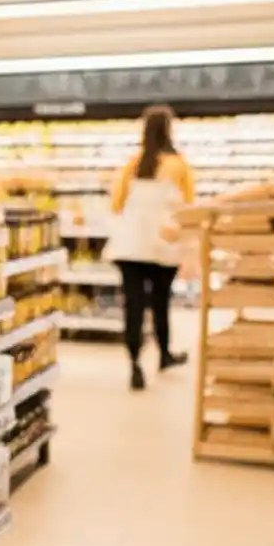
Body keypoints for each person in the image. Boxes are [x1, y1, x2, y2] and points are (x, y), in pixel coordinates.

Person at [106, 105, 193, 391]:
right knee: (160, 303)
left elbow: (116, 205)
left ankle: (134, 364)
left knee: (133, 306)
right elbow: (188, 207)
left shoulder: (132, 164)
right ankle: (164, 354)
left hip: (130, 246)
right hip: (162, 246)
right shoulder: (178, 166)